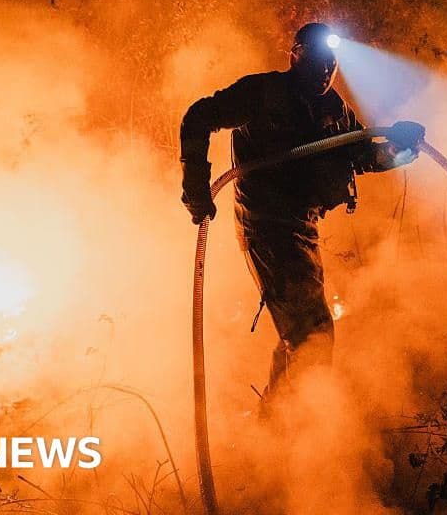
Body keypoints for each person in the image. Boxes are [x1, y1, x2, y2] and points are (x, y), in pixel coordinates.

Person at [179, 22, 424, 403]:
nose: (325, 71)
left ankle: (277, 423)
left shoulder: (333, 108)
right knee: (312, 335)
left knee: (300, 332)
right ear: (294, 56)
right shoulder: (262, 93)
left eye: (331, 64)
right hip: (265, 227)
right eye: (316, 61)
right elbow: (198, 117)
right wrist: (195, 183)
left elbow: (363, 155)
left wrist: (401, 148)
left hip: (302, 229)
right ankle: (299, 424)